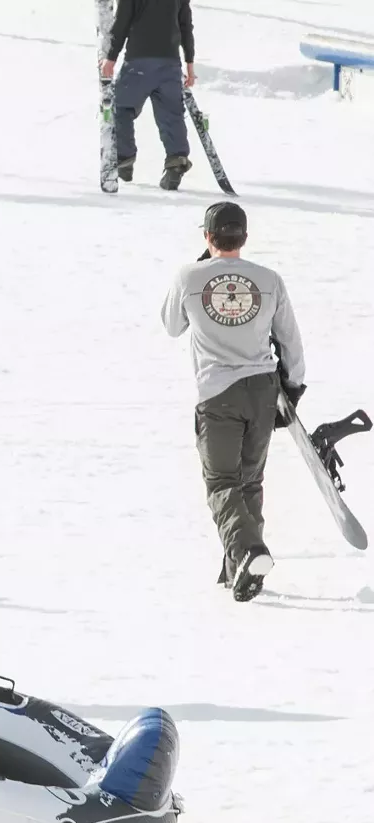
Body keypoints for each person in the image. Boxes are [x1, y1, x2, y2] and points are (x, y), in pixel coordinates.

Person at [161, 202, 306, 602]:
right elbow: (290, 338)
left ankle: (248, 552)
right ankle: (239, 572)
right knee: (249, 481)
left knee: (222, 482)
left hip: (218, 393)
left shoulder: (189, 276)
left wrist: (200, 269)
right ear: (244, 237)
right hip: (262, 389)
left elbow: (172, 325)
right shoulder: (268, 279)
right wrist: (293, 385)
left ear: (208, 237)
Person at [101, 0, 195, 190]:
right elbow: (185, 25)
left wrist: (110, 57)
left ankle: (124, 157)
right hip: (170, 64)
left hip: (139, 62)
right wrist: (190, 64)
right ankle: (176, 161)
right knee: (172, 116)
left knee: (121, 106)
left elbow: (122, 22)